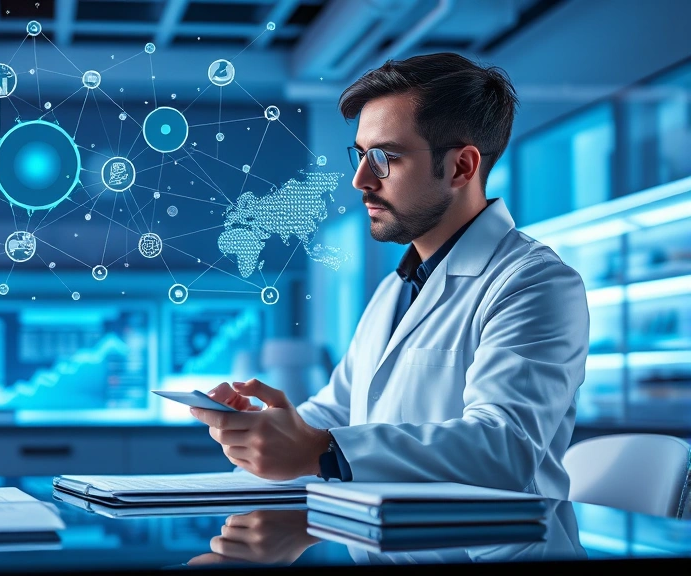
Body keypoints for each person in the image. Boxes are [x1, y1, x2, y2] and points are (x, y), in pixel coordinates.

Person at [191, 52, 589, 500]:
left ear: (461, 167)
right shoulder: (395, 289)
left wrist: (318, 451)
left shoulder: (534, 283)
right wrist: (267, 428)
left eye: (384, 157)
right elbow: (341, 411)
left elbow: (503, 449)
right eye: (360, 156)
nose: (361, 179)